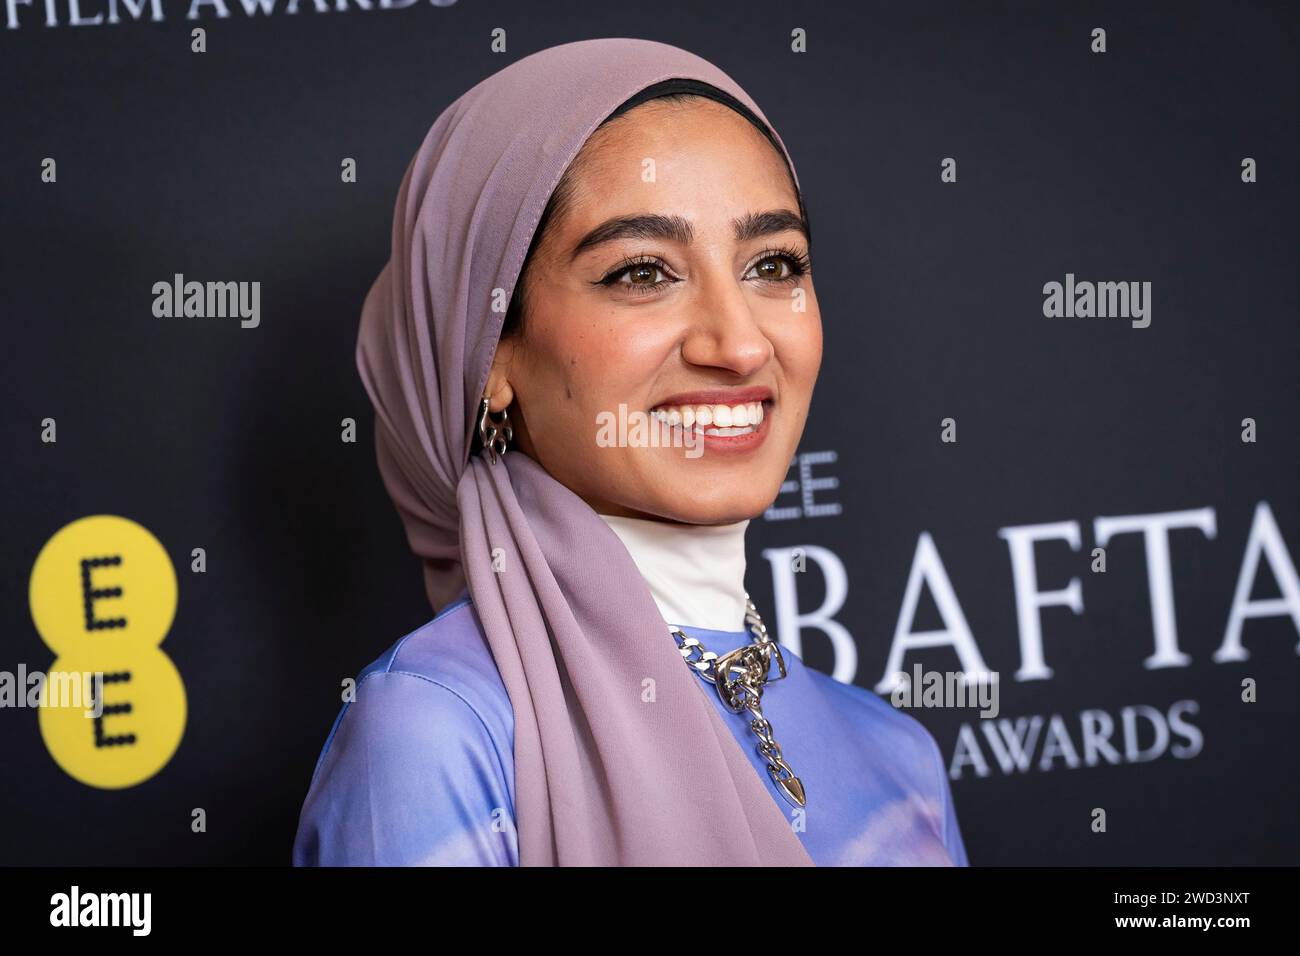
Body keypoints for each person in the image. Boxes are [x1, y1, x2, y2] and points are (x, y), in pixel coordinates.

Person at [292, 37, 970, 867]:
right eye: (644, 272)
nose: (739, 344)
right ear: (490, 353)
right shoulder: (434, 729)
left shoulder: (898, 757)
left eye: (773, 263)